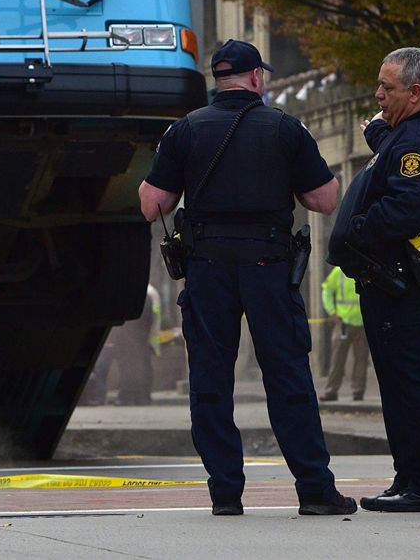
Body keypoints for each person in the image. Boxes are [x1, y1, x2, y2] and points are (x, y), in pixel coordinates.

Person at [138, 38, 356, 517]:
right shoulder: (285, 129)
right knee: (288, 376)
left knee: (211, 379)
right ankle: (315, 490)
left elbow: (153, 204)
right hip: (269, 267)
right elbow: (323, 200)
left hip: (208, 268)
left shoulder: (185, 130)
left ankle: (225, 493)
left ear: (217, 80)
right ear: (257, 77)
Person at [327, 46, 420, 513]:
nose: (378, 94)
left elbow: (408, 205)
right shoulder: (408, 135)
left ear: (416, 92)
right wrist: (384, 136)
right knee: (399, 380)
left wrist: (358, 230)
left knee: (407, 380)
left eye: (388, 87)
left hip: (409, 280)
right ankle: (412, 477)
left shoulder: (418, 141)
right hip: (401, 280)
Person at [320, 265, 369, 402]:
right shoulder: (339, 272)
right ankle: (332, 390)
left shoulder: (364, 269)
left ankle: (358, 391)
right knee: (338, 359)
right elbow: (327, 291)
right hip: (343, 323)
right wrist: (332, 312)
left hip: (362, 323)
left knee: (361, 359)